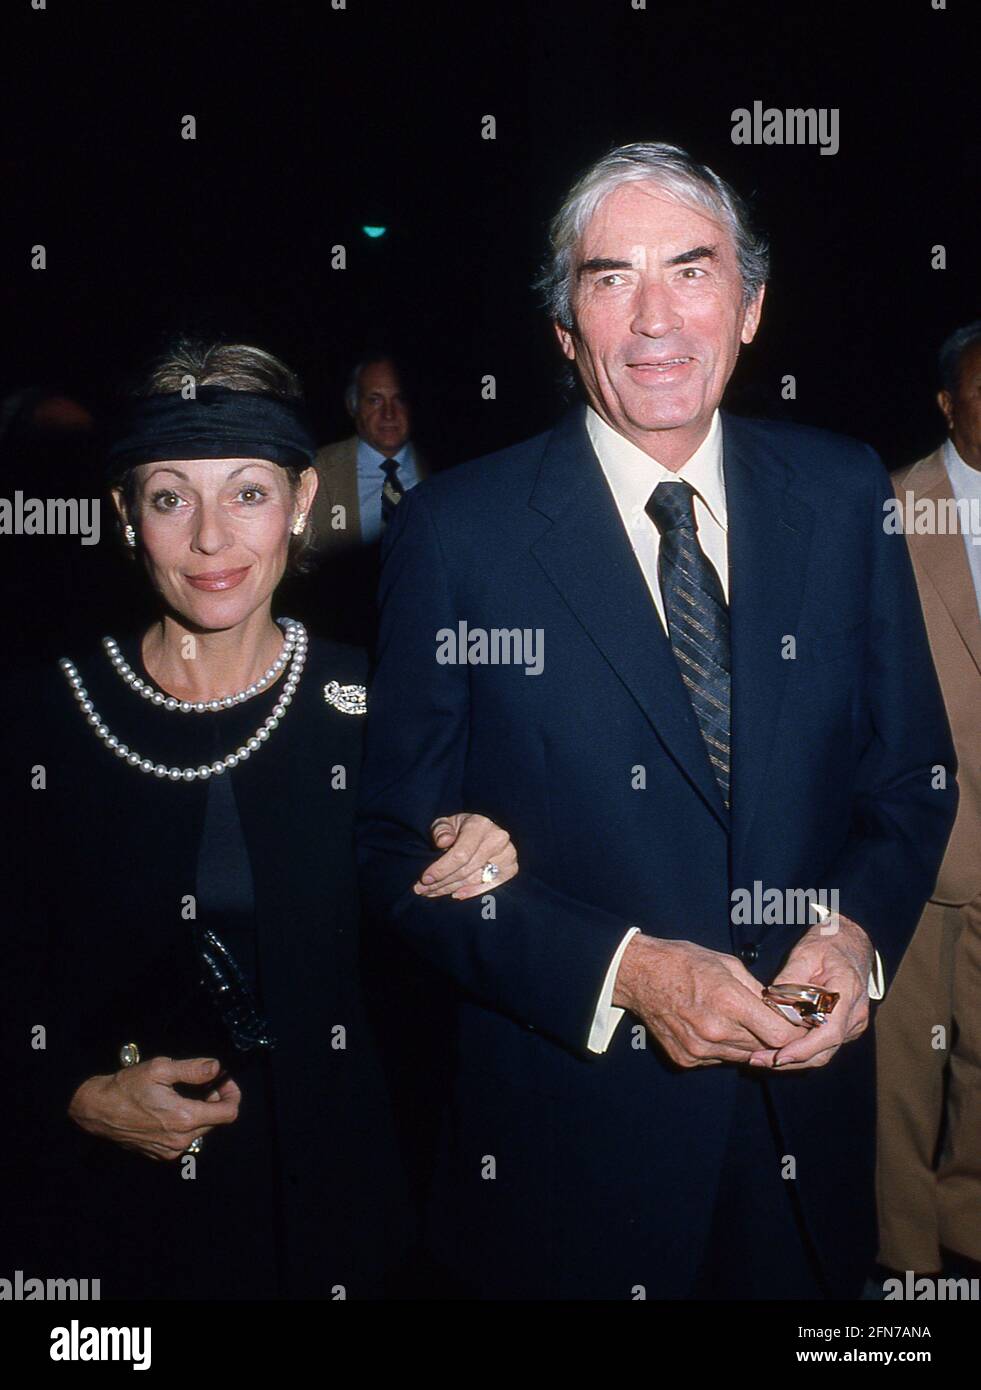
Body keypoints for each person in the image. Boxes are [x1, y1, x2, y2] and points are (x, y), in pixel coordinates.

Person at [356, 142, 957, 1300]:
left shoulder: (841, 494)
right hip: (567, 1172)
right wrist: (625, 972)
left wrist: (854, 940)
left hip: (809, 1149)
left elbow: (912, 779)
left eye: (691, 269)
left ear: (751, 306)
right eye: (608, 277)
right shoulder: (456, 535)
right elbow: (391, 850)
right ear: (564, 327)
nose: (654, 319)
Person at [0, 337, 517, 1300]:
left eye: (246, 493)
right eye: (169, 498)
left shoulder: (383, 702)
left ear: (301, 502)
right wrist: (72, 1093)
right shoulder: (40, 717)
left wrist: (488, 845)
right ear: (123, 515)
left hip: (353, 1220)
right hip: (116, 1237)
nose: (210, 540)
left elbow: (448, 962)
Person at [876, 321, 981, 1280]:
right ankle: (903, 1274)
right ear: (947, 403)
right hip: (920, 852)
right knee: (902, 1081)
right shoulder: (891, 508)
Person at [305, 356, 429, 646]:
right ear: (353, 406)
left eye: (400, 399)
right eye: (375, 400)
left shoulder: (452, 468)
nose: (389, 414)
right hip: (342, 634)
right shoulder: (317, 472)